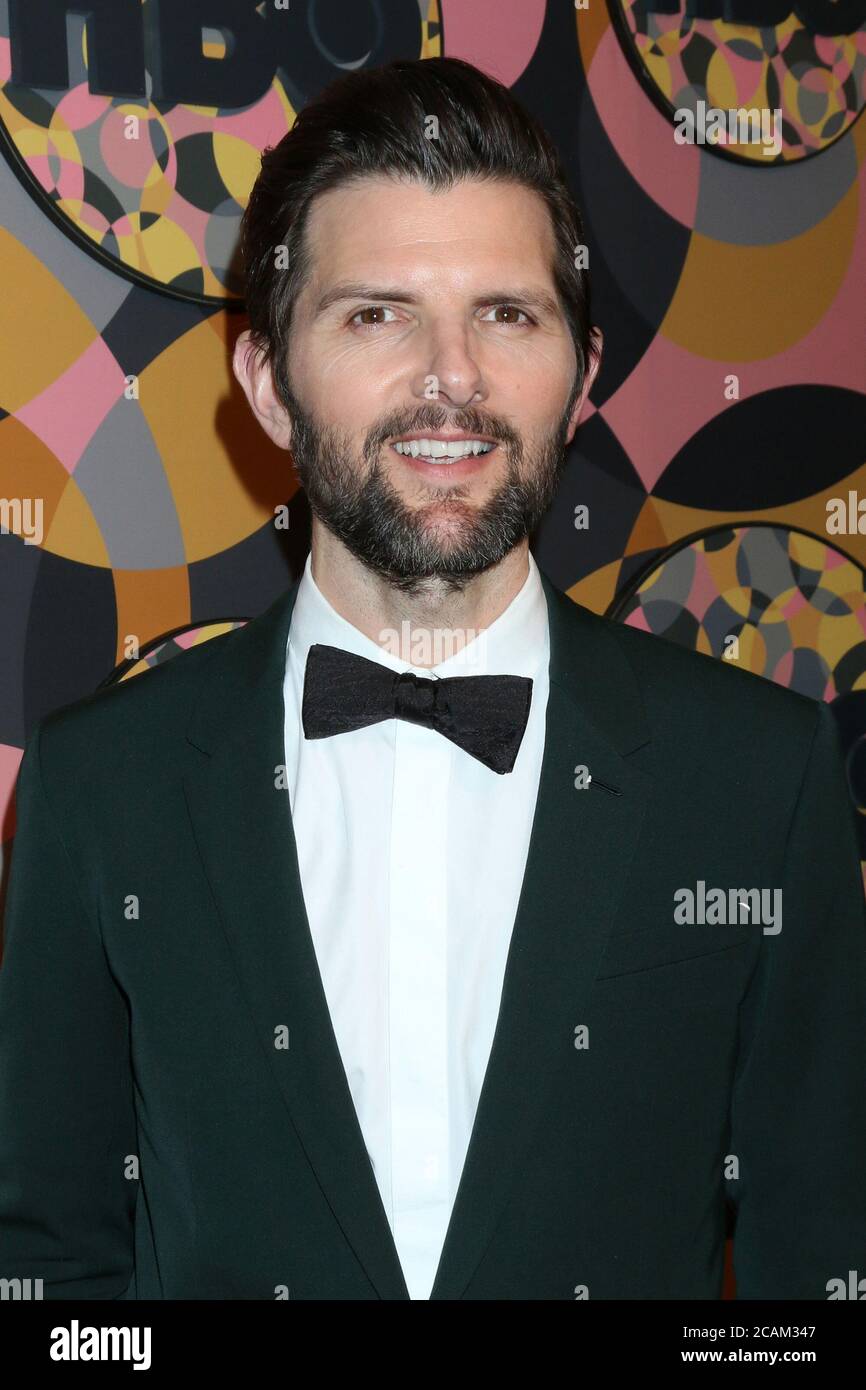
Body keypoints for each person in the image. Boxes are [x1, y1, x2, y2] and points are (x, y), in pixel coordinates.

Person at [1, 56, 864, 1302]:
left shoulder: (759, 778)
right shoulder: (101, 786)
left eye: (506, 314)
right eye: (377, 314)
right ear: (267, 386)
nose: (450, 377)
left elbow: (815, 1272)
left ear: (580, 376)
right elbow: (50, 1270)